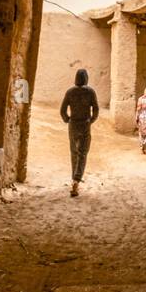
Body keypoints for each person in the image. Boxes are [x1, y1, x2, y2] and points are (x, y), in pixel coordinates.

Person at [59, 68, 99, 197]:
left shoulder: (70, 92)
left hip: (73, 124)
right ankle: (76, 179)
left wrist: (67, 119)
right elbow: (96, 108)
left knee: (74, 151)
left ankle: (74, 178)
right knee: (83, 152)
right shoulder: (90, 92)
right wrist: (91, 120)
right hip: (85, 124)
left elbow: (63, 109)